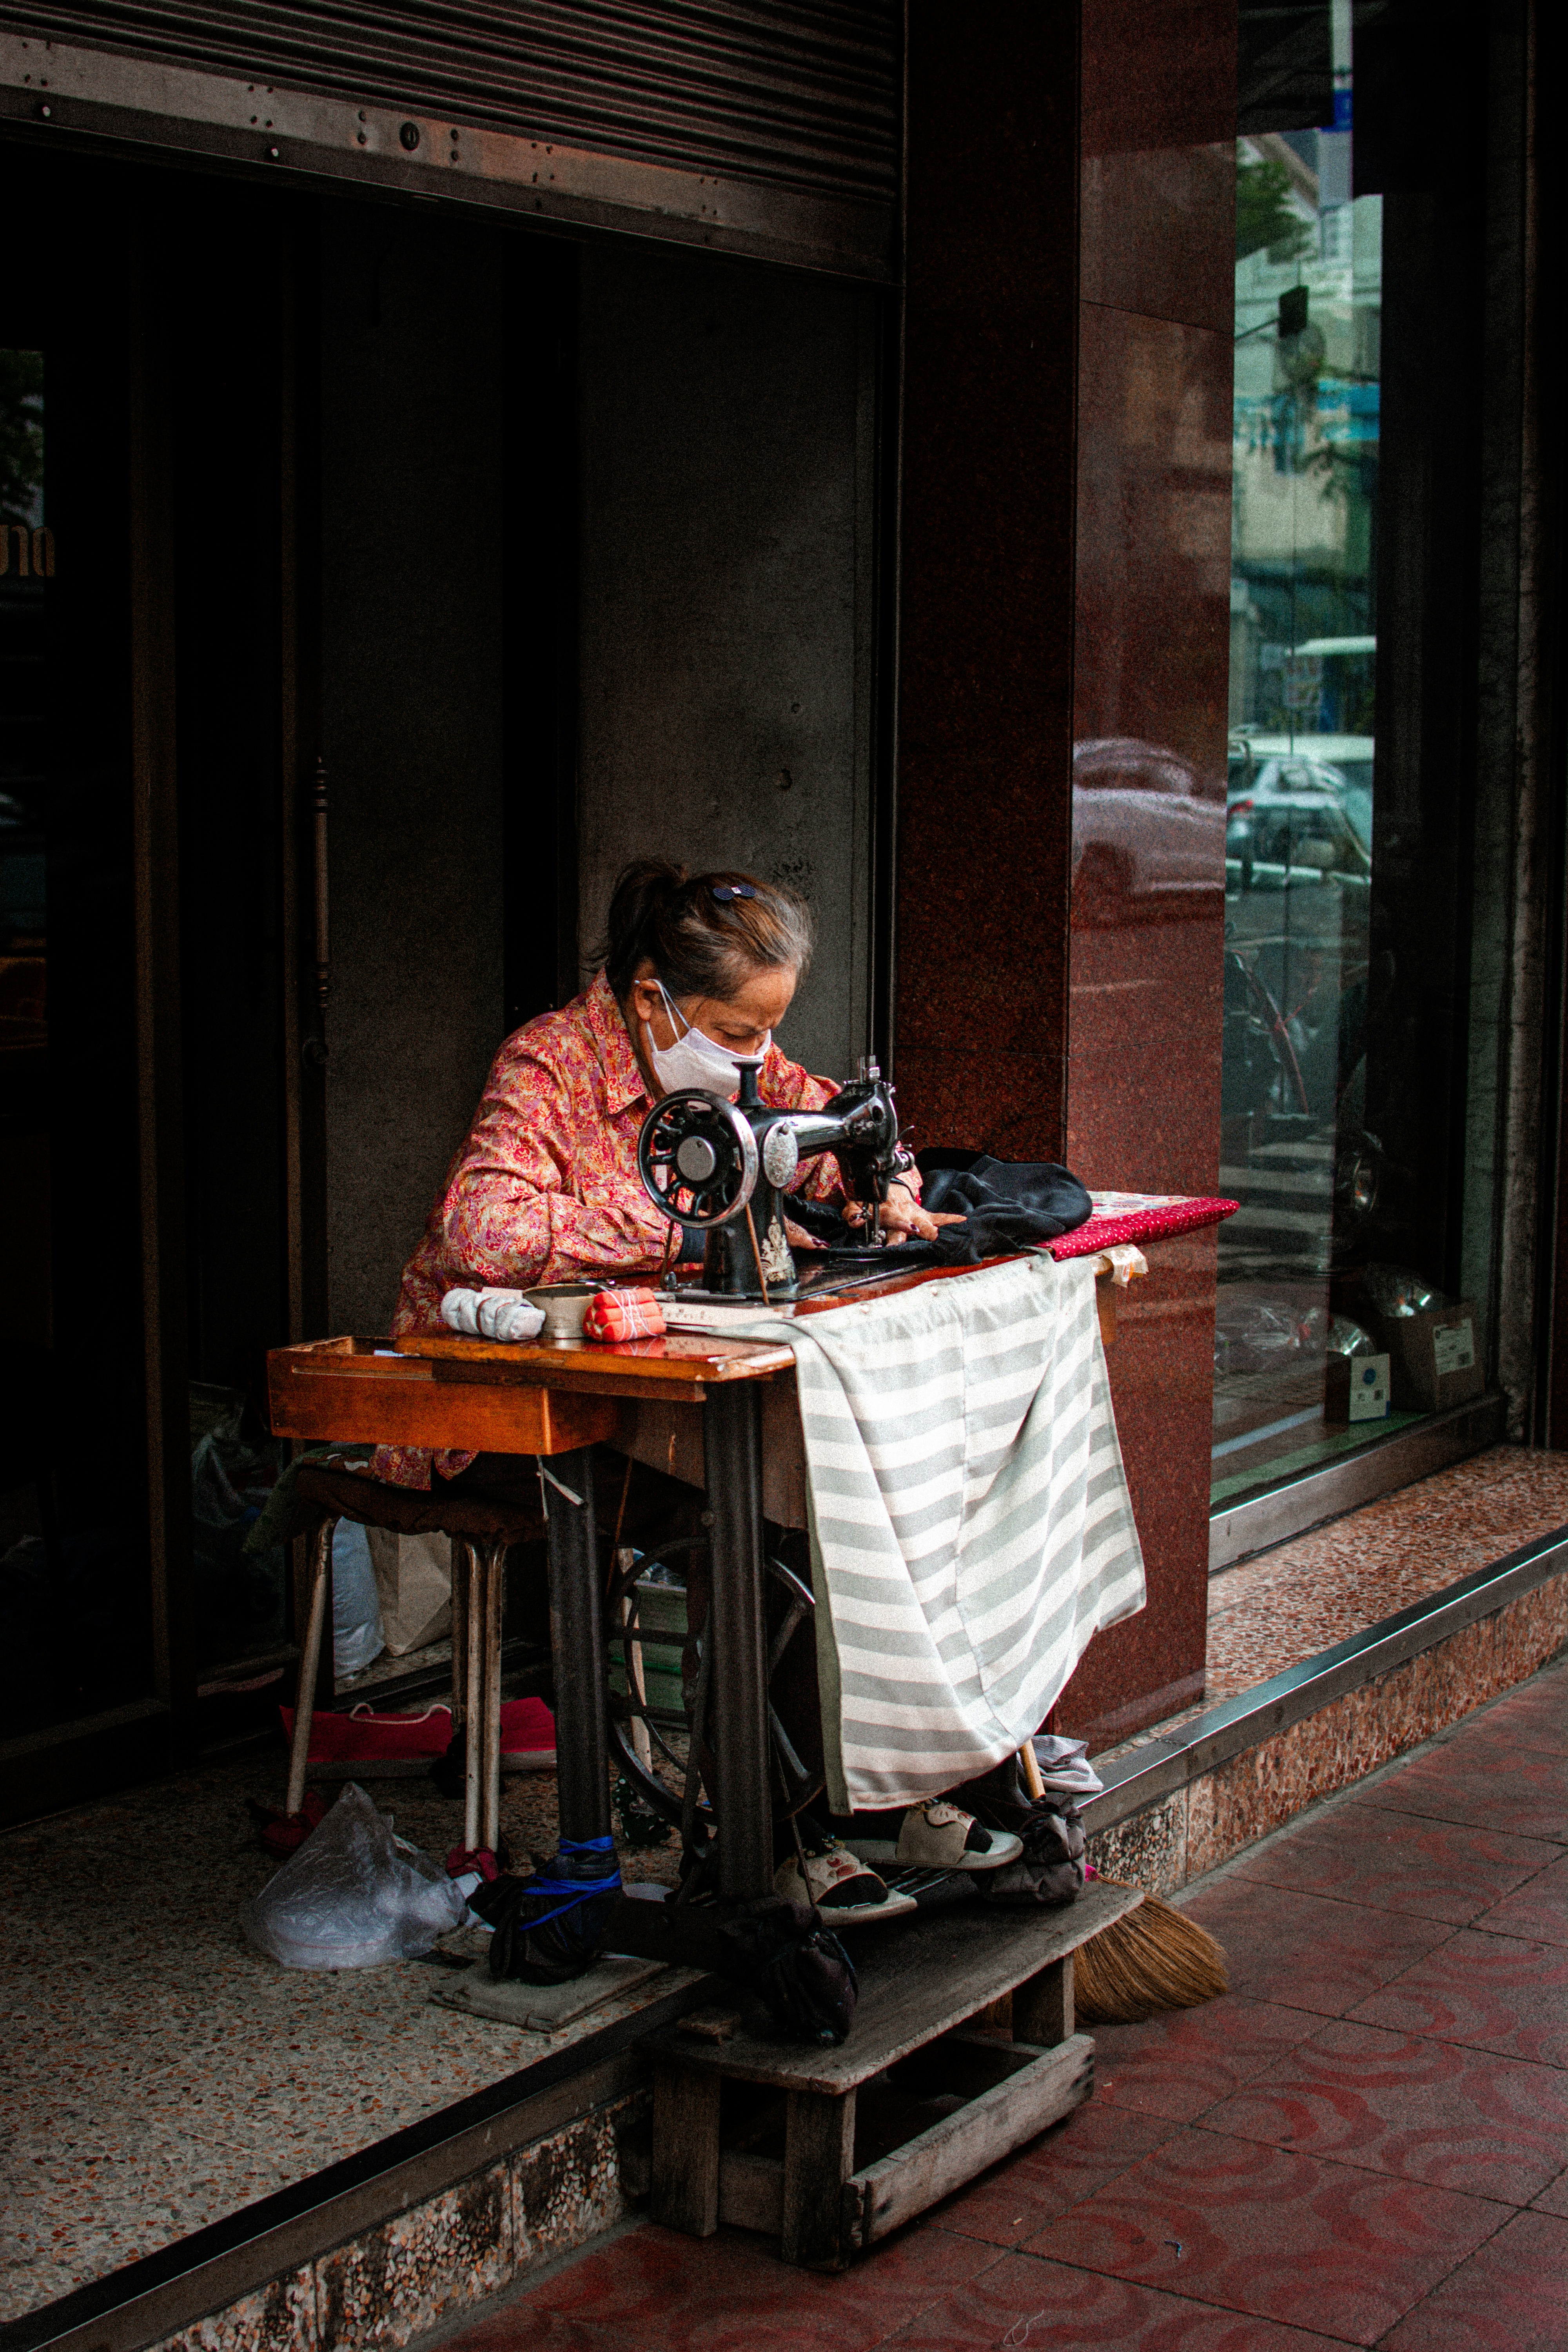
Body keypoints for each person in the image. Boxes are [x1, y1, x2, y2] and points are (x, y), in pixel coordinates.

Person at [374, 860, 955, 1488]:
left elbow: (822, 1130)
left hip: (642, 1387)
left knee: (804, 1466)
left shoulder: (746, 1056)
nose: (757, 1057)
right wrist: (691, 1232)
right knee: (755, 1485)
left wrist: (887, 1186)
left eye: (767, 1034)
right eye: (737, 1033)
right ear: (652, 999)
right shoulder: (550, 1063)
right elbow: (482, 1234)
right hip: (499, 1403)